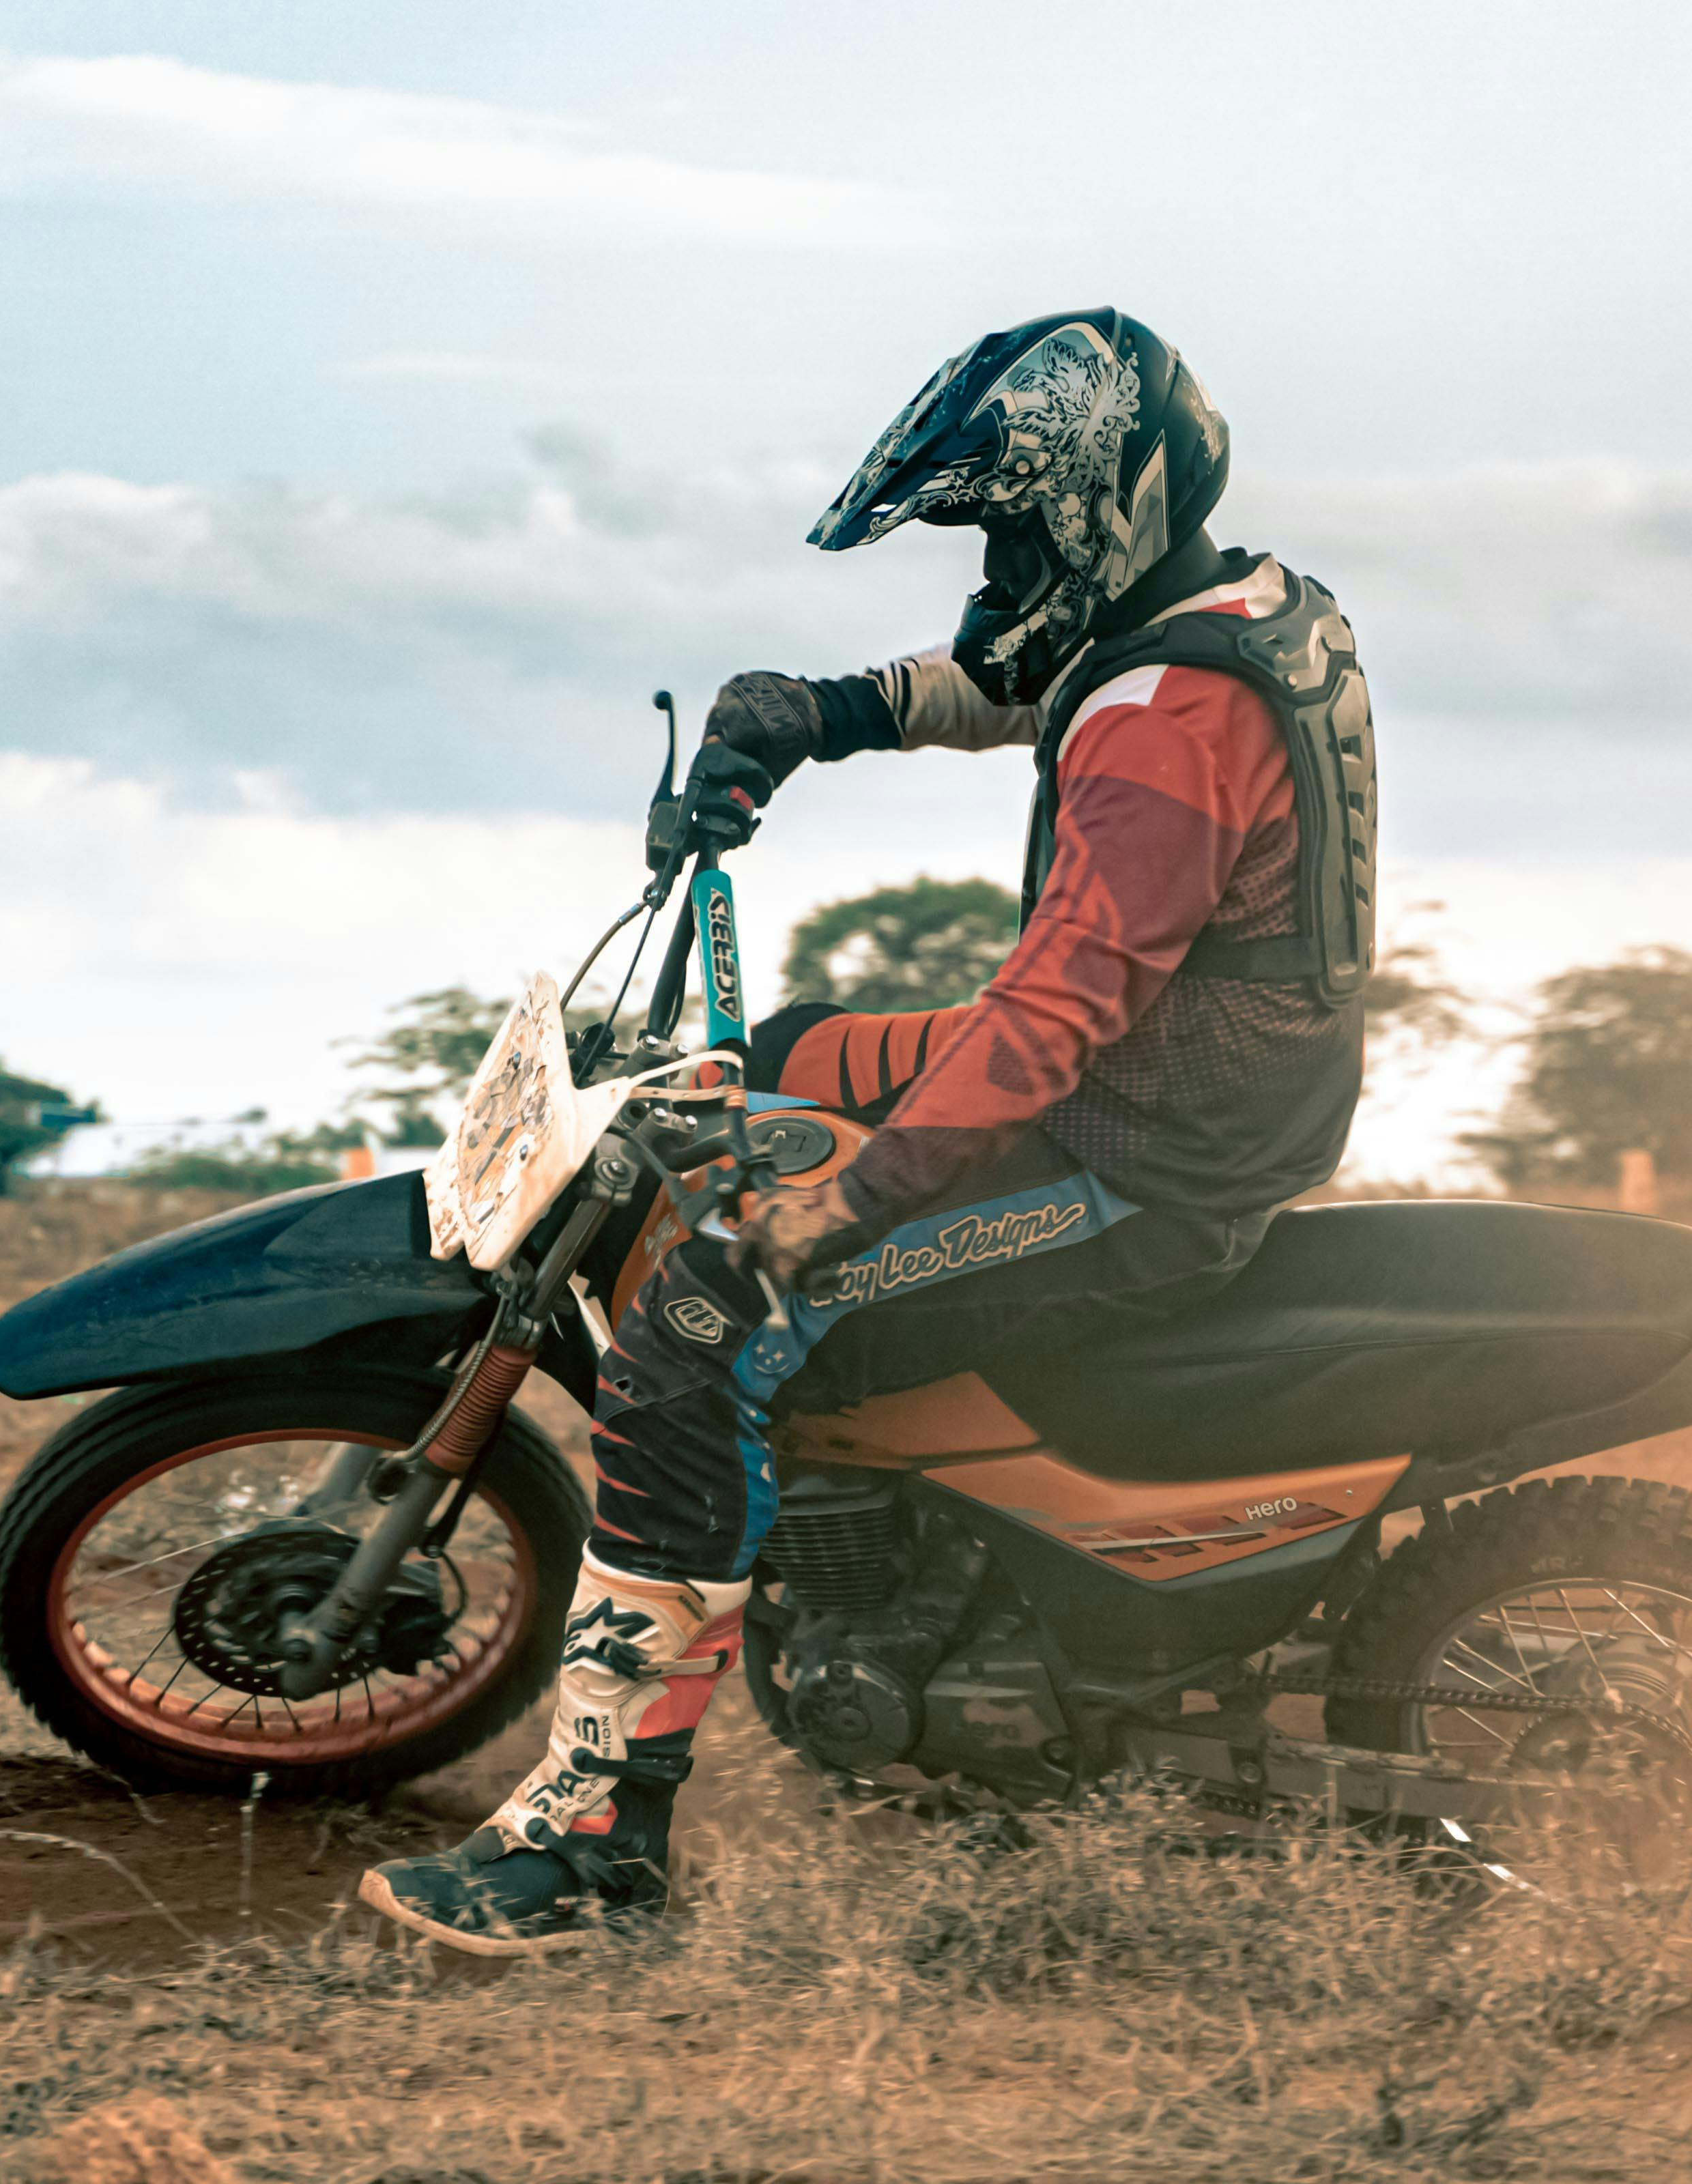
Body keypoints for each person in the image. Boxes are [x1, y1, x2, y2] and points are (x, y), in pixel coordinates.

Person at [363, 309, 1379, 1955]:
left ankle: (600, 1849)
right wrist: (810, 715)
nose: (985, 560)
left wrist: (860, 1195)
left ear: (1084, 507)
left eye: (999, 522)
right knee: (772, 1056)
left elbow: (1056, 1016)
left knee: (700, 1321)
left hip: (1144, 1149)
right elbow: (1014, 682)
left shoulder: (1167, 725)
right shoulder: (1236, 610)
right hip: (1193, 1081)